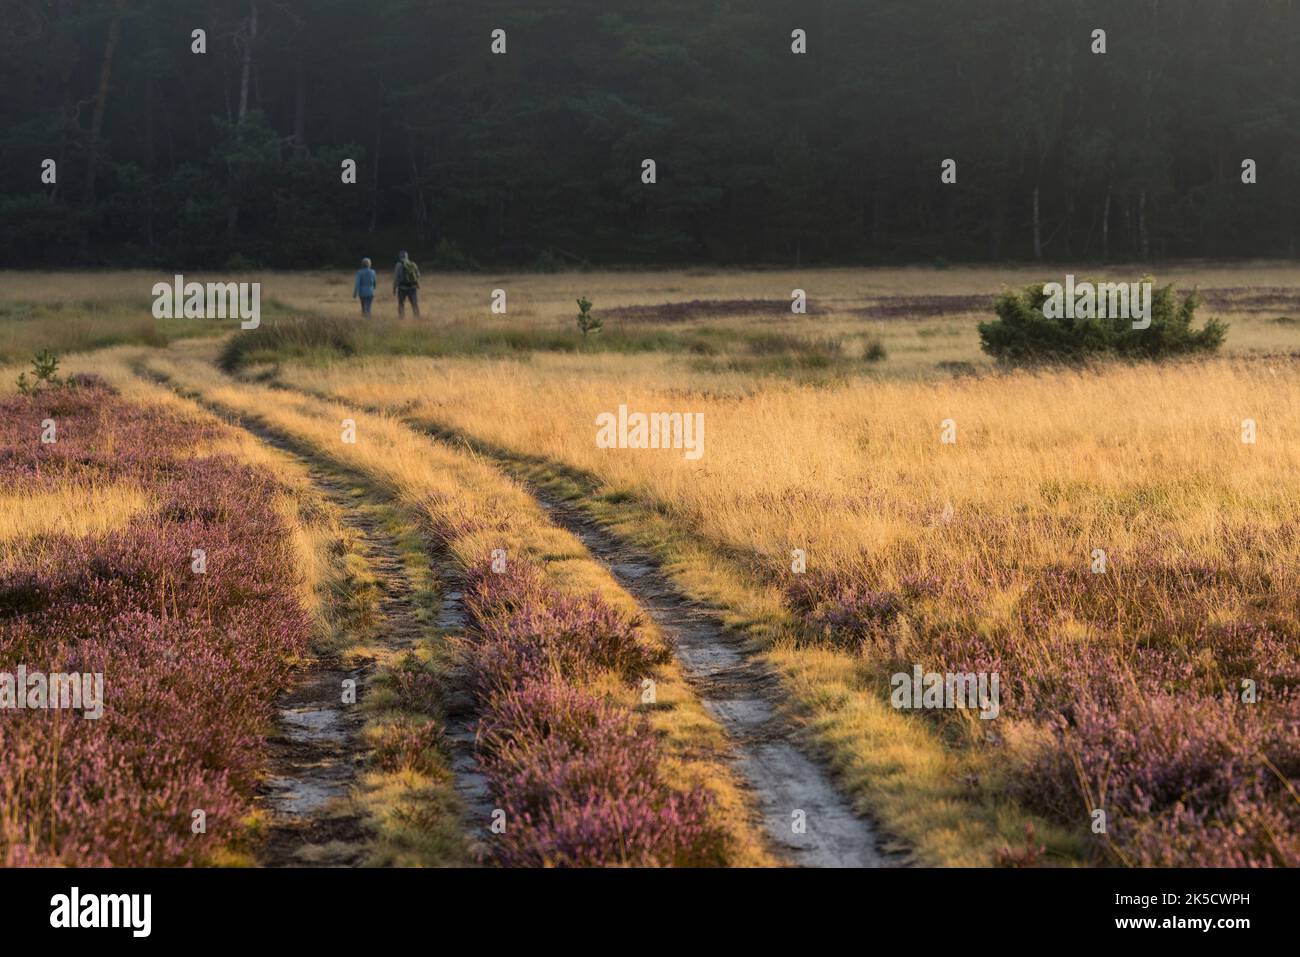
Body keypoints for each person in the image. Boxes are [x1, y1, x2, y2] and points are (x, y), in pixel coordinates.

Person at [393, 250, 421, 318]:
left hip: (402, 288)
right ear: (407, 256)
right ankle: (417, 317)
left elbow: (396, 278)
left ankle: (402, 318)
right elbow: (418, 275)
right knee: (414, 303)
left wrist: (394, 288)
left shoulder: (398, 265)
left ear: (399, 256)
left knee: (401, 304)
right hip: (412, 287)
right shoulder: (413, 264)